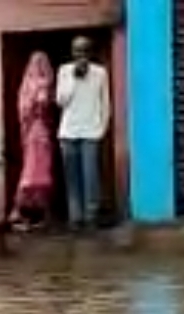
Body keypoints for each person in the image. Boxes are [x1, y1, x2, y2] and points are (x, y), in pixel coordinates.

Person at [55, 37, 110, 229]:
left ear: (90, 53)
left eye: (85, 51)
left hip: (91, 132)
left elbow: (105, 103)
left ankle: (91, 216)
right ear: (72, 53)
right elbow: (61, 101)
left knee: (90, 175)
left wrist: (101, 129)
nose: (81, 55)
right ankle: (75, 217)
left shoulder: (100, 73)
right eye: (77, 51)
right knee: (72, 178)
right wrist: (73, 78)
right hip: (68, 132)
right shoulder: (64, 71)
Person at [9, 52, 56, 229]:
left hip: (37, 132)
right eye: (37, 64)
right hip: (36, 133)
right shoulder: (34, 85)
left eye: (42, 64)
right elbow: (33, 108)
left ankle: (34, 214)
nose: (40, 67)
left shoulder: (30, 85)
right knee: (34, 174)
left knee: (38, 174)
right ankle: (22, 212)